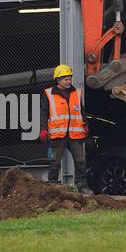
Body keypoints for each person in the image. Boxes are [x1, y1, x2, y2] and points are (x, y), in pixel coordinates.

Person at [44, 64, 91, 194]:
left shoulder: (76, 93)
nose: (69, 81)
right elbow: (43, 113)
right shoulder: (48, 94)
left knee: (81, 161)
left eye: (70, 78)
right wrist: (43, 129)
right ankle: (52, 187)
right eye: (66, 79)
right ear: (58, 80)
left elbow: (81, 111)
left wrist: (85, 124)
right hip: (58, 135)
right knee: (54, 163)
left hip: (75, 135)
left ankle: (82, 186)